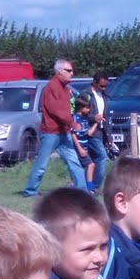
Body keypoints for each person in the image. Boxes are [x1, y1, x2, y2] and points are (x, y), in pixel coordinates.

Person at [19, 59, 88, 197]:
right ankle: (30, 191)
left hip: (64, 132)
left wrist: (72, 121)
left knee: (74, 161)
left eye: (72, 71)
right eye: (68, 71)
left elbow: (69, 110)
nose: (72, 73)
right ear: (59, 72)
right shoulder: (51, 87)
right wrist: (73, 124)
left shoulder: (67, 89)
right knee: (42, 163)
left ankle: (83, 191)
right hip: (51, 132)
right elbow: (56, 111)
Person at [77, 72, 112, 192]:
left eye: (106, 86)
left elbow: (106, 116)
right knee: (102, 157)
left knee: (91, 161)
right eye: (101, 86)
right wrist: (93, 118)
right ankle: (96, 186)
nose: (104, 88)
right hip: (90, 131)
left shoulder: (104, 96)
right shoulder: (85, 94)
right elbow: (79, 113)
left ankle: (87, 186)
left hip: (101, 131)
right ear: (94, 82)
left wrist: (109, 137)